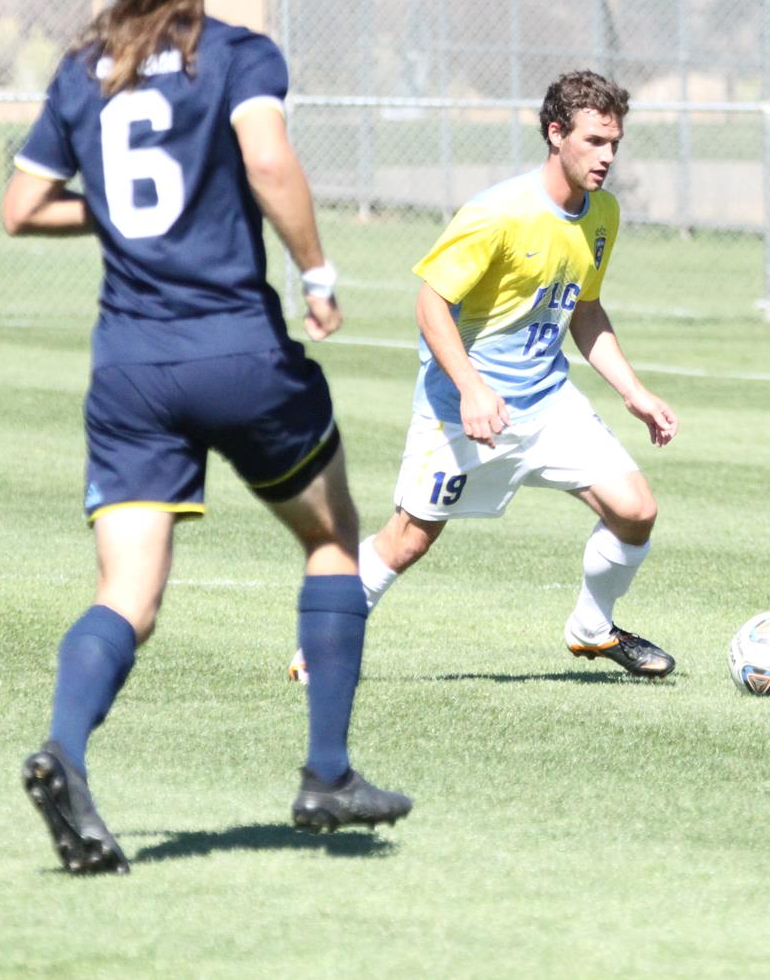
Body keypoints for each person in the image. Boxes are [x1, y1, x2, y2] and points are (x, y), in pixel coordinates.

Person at [2, 0, 409, 876]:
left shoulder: (79, 71)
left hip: (130, 365)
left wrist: (120, 217)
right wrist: (316, 271)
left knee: (127, 594)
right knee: (330, 536)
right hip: (233, 348)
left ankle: (65, 748)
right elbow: (268, 162)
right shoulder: (236, 54)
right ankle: (325, 771)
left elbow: (19, 206)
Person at [291, 70, 679, 684]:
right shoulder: (500, 213)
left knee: (636, 509)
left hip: (548, 403)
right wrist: (472, 387)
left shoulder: (602, 213)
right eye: (594, 142)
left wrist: (633, 392)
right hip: (463, 413)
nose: (607, 157)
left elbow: (582, 307)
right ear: (556, 134)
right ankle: (322, 641)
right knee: (408, 542)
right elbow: (429, 303)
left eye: (614, 144)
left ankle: (591, 627)